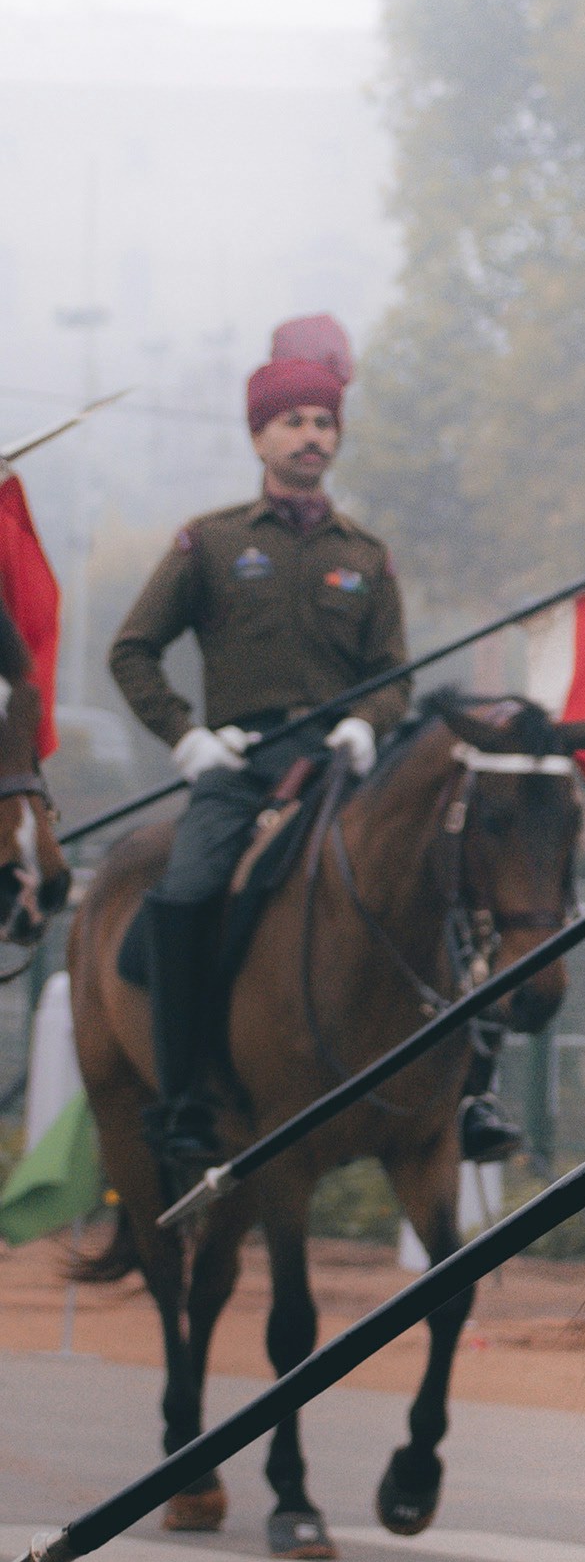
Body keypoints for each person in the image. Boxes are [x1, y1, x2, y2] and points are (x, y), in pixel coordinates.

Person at [106, 319, 408, 1195]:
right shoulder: (208, 541)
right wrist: (188, 737)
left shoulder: (367, 555)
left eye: (325, 422)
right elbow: (133, 650)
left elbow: (393, 672)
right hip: (240, 766)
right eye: (295, 422)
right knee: (188, 891)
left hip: (342, 763)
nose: (312, 436)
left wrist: (370, 724)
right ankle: (181, 1103)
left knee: (439, 866)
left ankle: (460, 1095)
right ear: (258, 436)